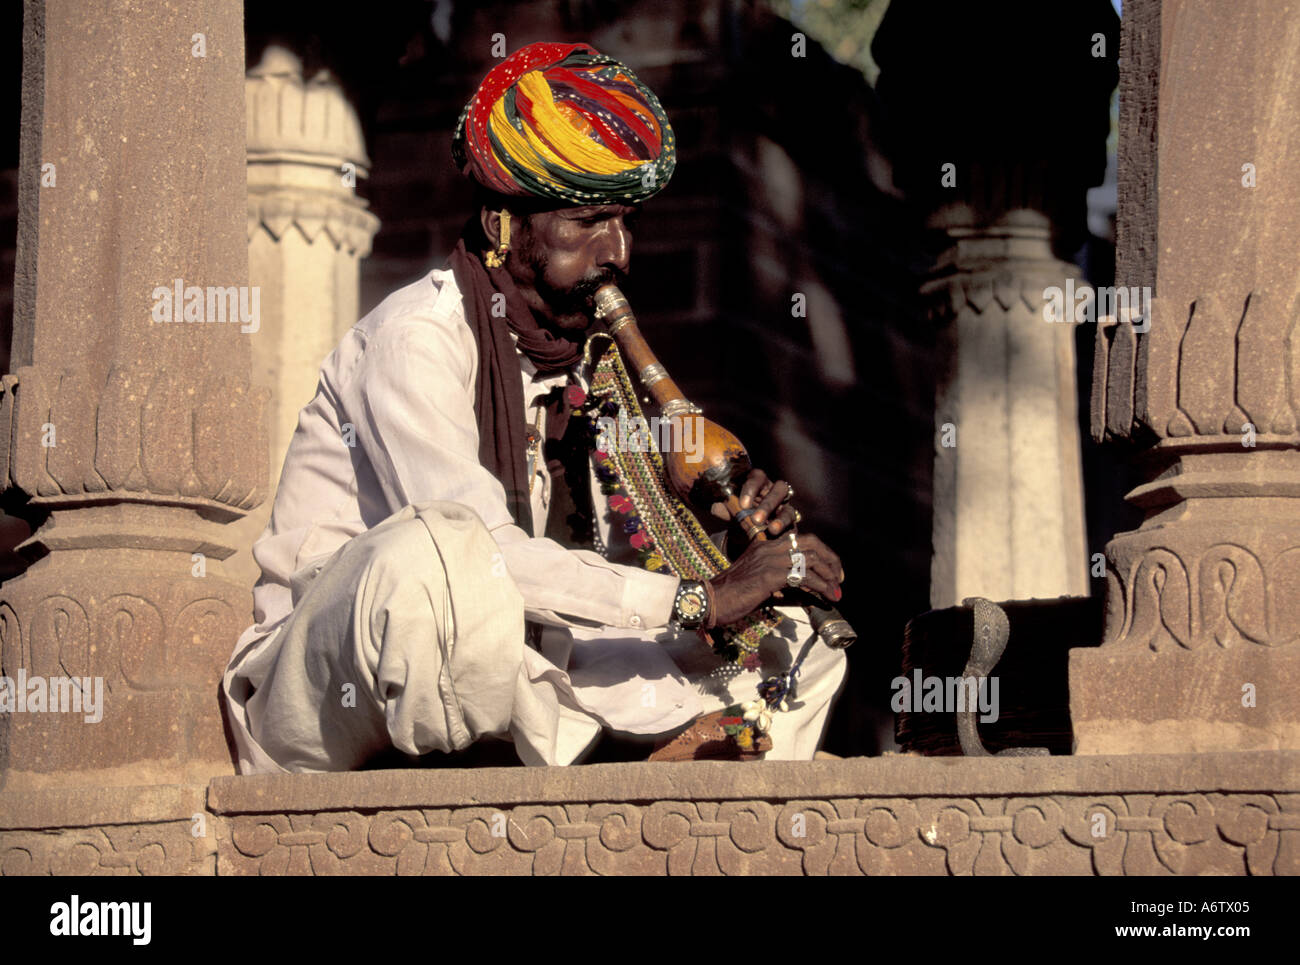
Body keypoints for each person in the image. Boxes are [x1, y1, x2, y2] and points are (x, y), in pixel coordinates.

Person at [221, 41, 847, 773]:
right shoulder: (414, 340)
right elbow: (490, 559)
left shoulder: (589, 357)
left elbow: (610, 568)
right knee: (435, 557)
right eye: (586, 222)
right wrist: (700, 598)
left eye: (625, 221)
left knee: (793, 641)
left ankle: (640, 772)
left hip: (515, 663)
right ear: (501, 225)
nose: (616, 251)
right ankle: (607, 760)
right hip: (343, 680)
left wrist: (724, 545)